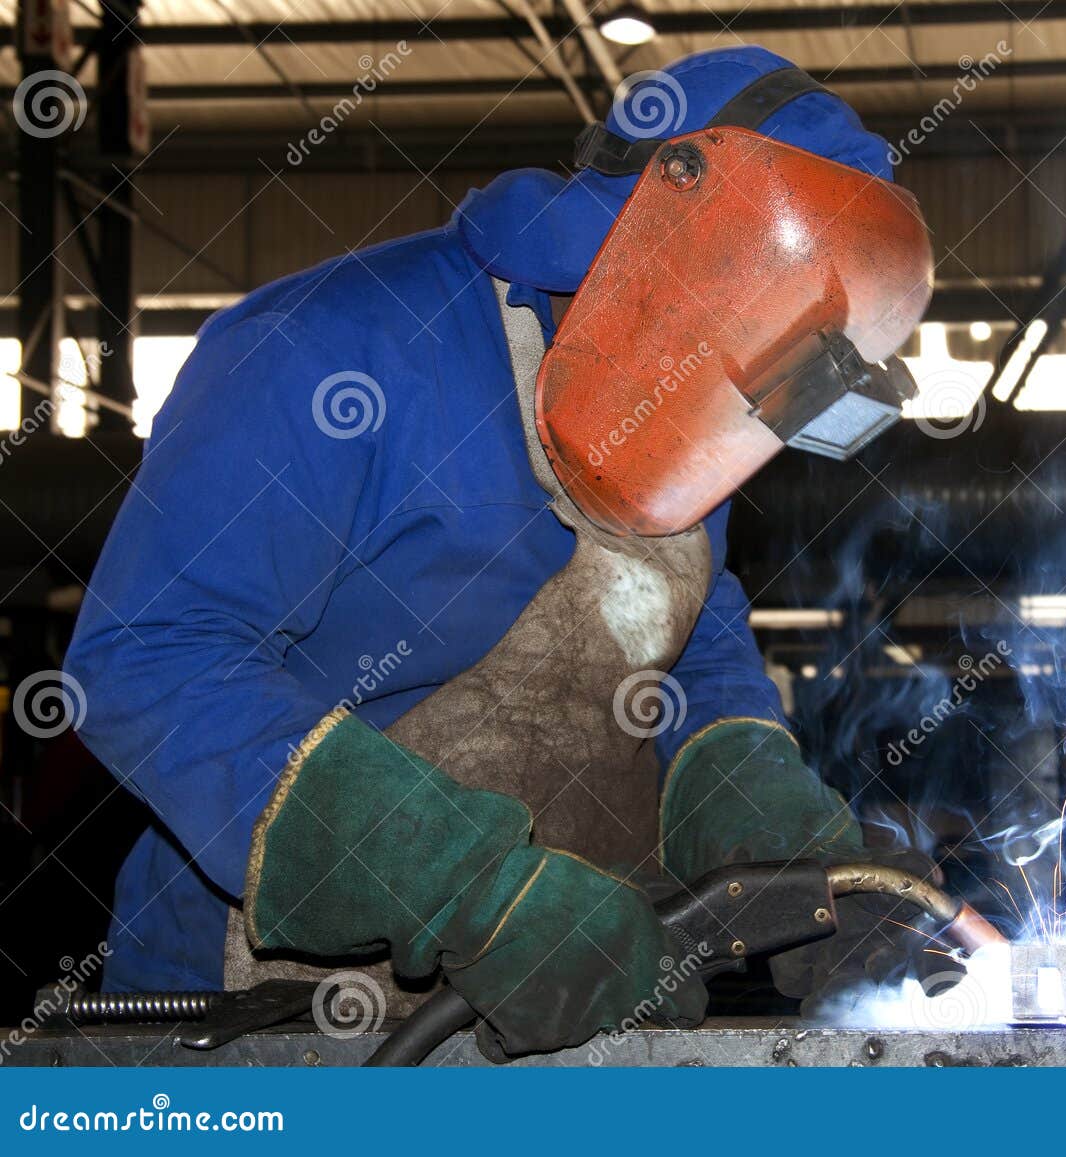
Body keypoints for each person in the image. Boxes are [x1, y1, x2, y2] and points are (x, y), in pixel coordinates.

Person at [65, 46, 937, 1055]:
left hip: (568, 1005)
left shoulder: (685, 411)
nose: (738, 412)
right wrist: (467, 888)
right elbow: (147, 660)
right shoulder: (327, 349)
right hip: (262, 1026)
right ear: (674, 235)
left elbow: (691, 653)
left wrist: (789, 855)